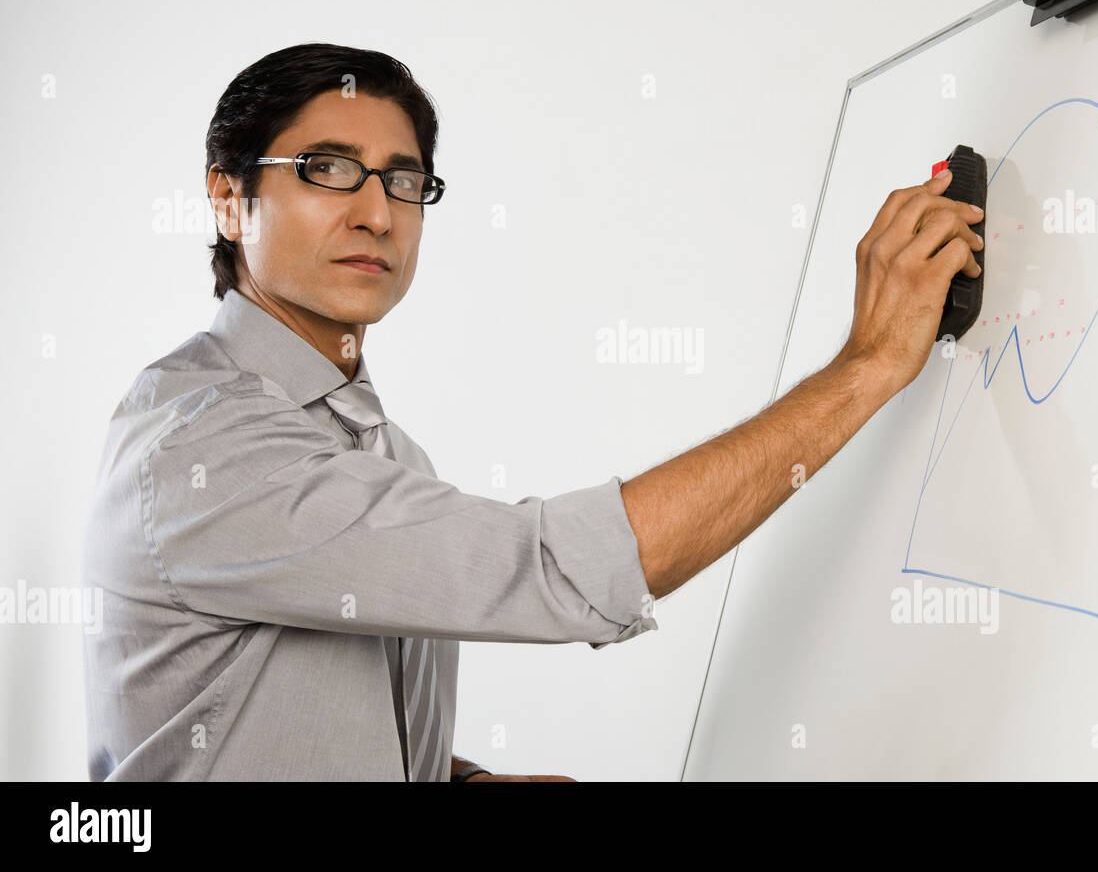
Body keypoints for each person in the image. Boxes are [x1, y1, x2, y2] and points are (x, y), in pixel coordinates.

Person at [81, 43, 983, 782]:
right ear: (228, 195)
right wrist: (866, 366)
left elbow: (273, 717)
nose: (375, 213)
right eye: (328, 170)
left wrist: (456, 780)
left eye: (403, 180)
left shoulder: (385, 451)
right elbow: (547, 568)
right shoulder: (201, 442)